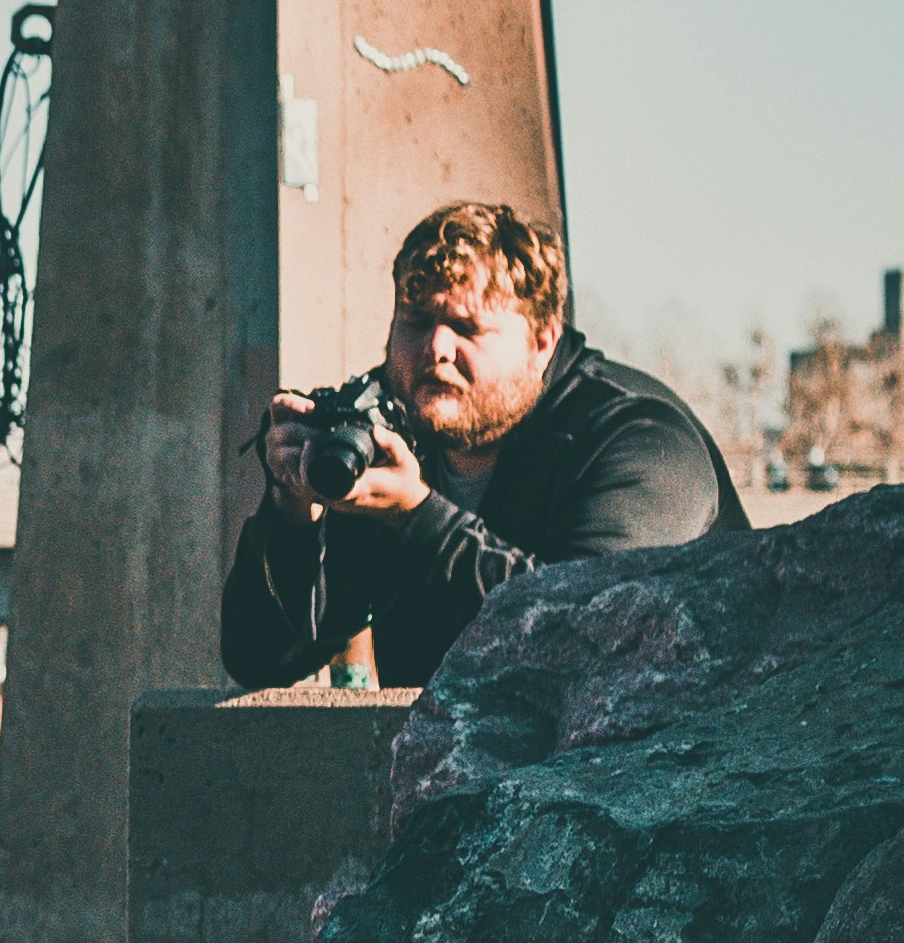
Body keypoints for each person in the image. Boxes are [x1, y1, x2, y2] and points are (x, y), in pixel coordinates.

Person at [221, 199, 740, 685]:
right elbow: (259, 660)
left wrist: (415, 516)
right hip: (455, 774)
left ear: (542, 342)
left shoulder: (639, 440)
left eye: (466, 328)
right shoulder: (394, 437)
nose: (435, 349)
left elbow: (590, 639)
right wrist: (291, 514)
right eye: (416, 321)